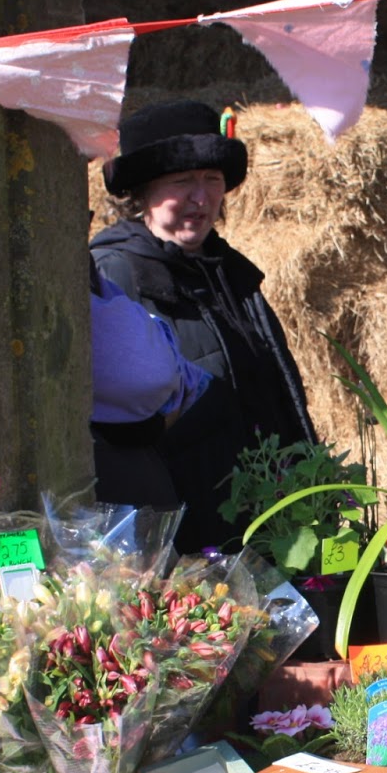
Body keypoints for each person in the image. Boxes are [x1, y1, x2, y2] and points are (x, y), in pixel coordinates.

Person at [91, 99, 316, 552]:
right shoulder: (116, 274)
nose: (201, 197)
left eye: (212, 180)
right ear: (144, 193)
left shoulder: (229, 272)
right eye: (182, 182)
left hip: (262, 509)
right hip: (182, 515)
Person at [88, 260, 211, 510]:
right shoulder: (111, 264)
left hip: (137, 464)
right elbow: (152, 377)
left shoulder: (100, 284)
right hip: (115, 472)